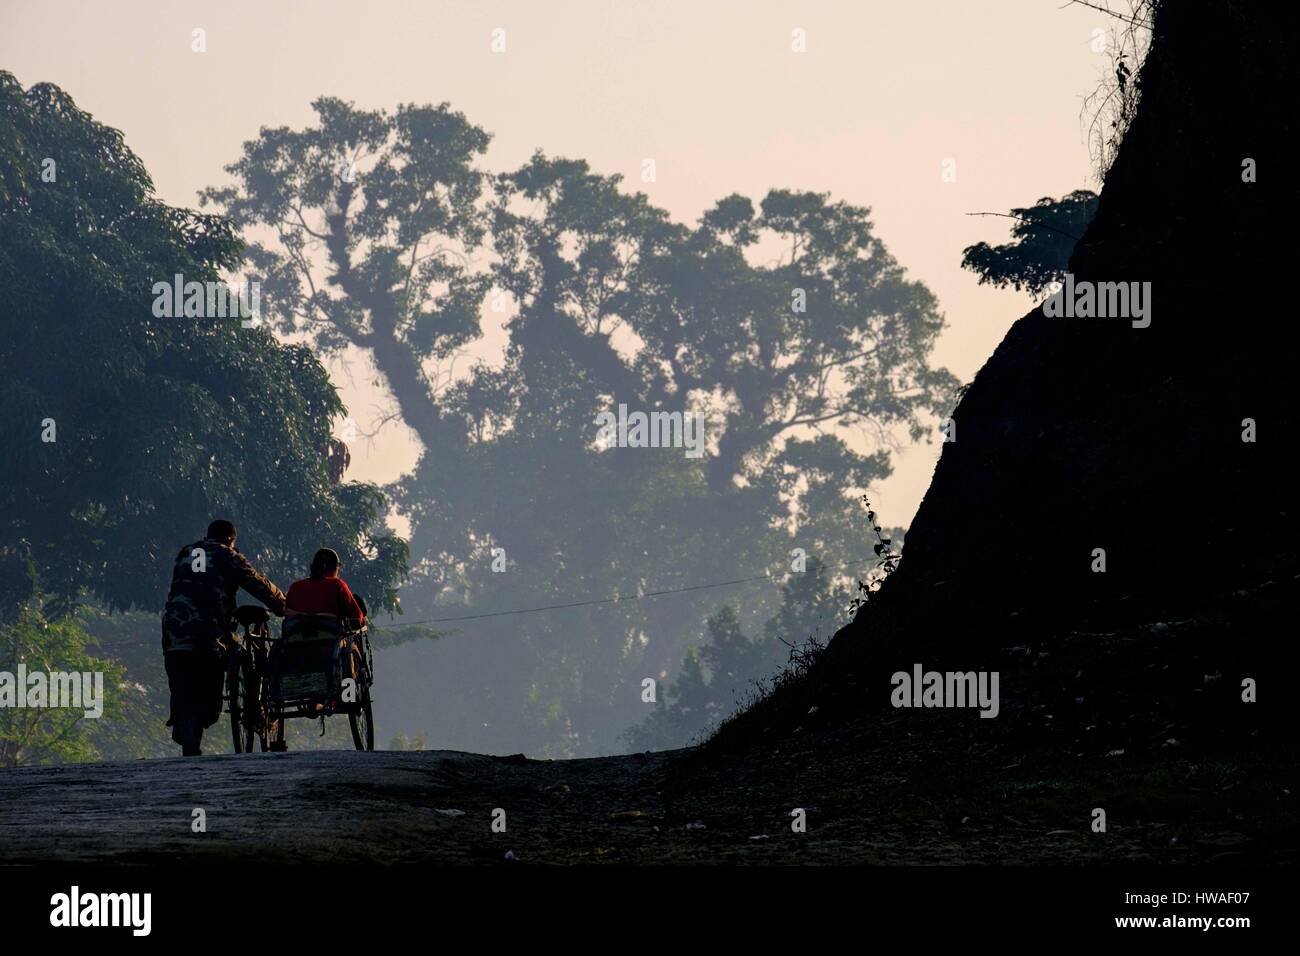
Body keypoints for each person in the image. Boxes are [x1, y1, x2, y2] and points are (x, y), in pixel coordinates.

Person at [161, 520, 286, 756]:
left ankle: (187, 732)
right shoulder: (229, 556)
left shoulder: (187, 553)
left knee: (181, 685)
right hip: (209, 632)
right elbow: (261, 586)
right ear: (231, 539)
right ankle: (253, 710)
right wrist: (285, 605)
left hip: (173, 630)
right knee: (218, 677)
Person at [285, 548, 365, 624]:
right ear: (334, 568)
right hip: (330, 636)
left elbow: (287, 614)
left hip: (295, 637)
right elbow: (357, 618)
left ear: (312, 566)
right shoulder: (337, 585)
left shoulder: (295, 587)